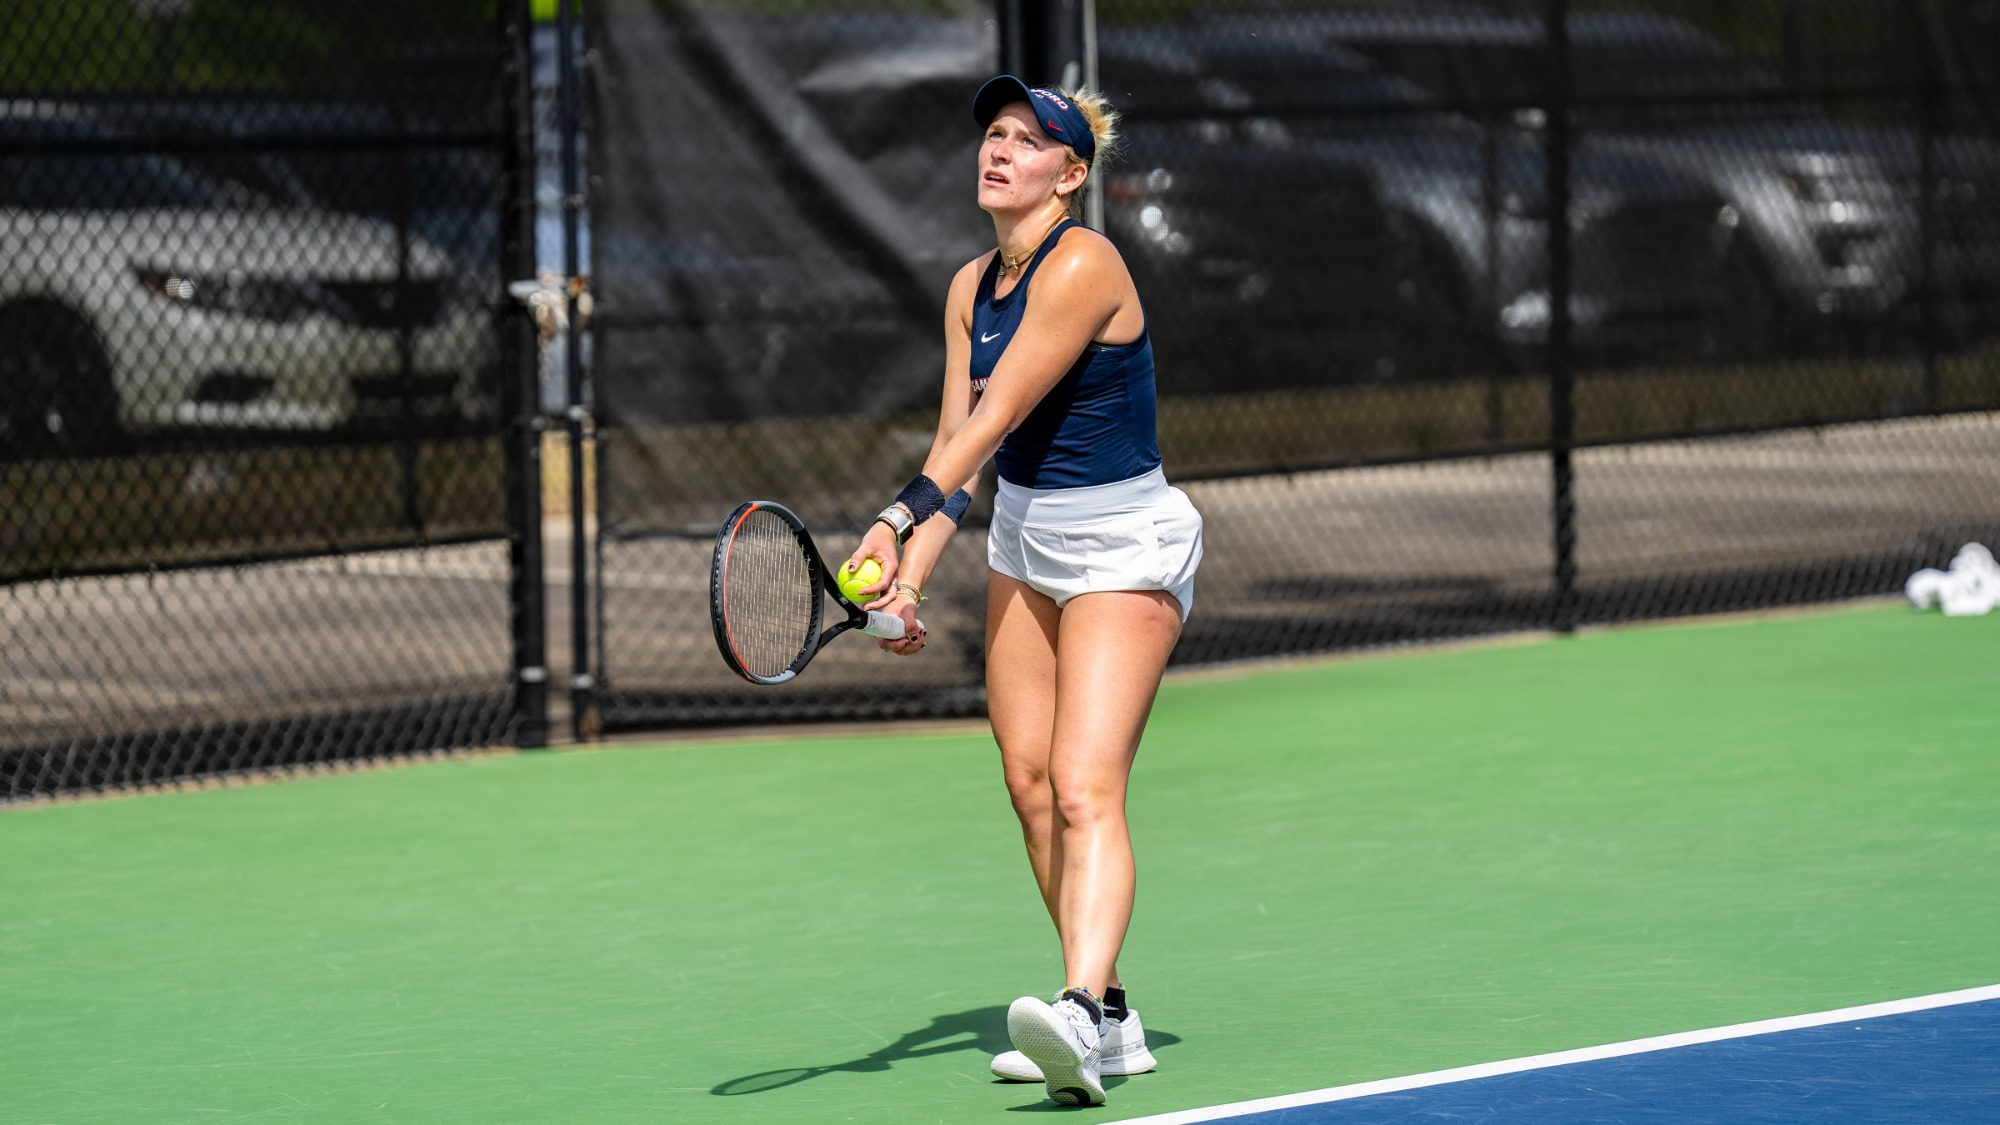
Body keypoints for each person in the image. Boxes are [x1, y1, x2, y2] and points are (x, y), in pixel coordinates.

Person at [844, 74, 1203, 1108]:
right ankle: (1115, 1016)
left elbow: (996, 420)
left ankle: (1080, 1011)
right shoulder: (967, 288)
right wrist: (907, 574)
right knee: (1028, 782)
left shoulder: (1085, 261)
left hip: (1122, 544)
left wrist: (894, 515)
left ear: (1069, 173)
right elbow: (956, 445)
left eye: (1023, 140)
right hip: (1028, 539)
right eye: (989, 135)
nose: (996, 151)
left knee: (1086, 781)